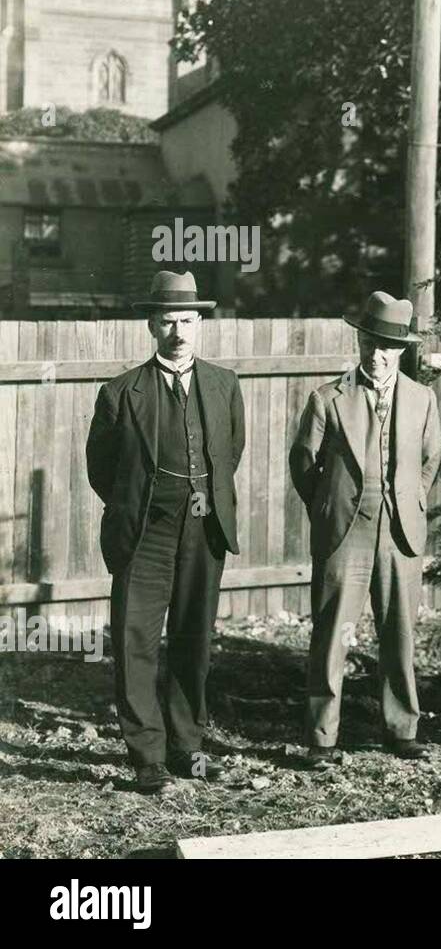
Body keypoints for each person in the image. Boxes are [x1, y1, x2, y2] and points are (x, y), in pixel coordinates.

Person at [85, 270, 244, 794]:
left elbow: (230, 453)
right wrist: (142, 505)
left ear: (201, 323)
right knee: (136, 642)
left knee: (194, 639)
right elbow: (101, 470)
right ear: (152, 325)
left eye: (188, 320)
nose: (179, 332)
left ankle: (188, 749)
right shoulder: (121, 392)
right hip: (144, 534)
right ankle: (147, 756)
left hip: (203, 529)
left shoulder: (224, 385)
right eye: (169, 321)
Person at [289, 291, 441, 769]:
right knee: (334, 632)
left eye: (389, 346)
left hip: (402, 532)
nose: (378, 355)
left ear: (403, 350)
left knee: (399, 631)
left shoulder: (422, 398)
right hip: (345, 531)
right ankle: (322, 736)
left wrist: (412, 498)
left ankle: (402, 728)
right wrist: (330, 505)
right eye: (371, 343)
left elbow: (431, 458)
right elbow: (303, 463)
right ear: (359, 341)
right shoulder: (328, 398)